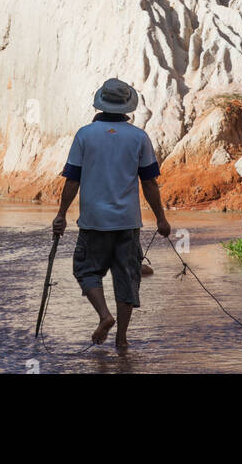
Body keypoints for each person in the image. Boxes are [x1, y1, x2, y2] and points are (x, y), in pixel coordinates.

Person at [52, 77, 171, 351]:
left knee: (85, 269)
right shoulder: (139, 137)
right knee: (128, 276)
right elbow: (149, 183)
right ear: (127, 107)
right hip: (127, 222)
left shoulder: (85, 134)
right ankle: (122, 339)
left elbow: (73, 180)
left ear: (100, 104)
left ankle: (105, 316)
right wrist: (161, 219)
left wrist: (61, 214)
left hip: (94, 221)